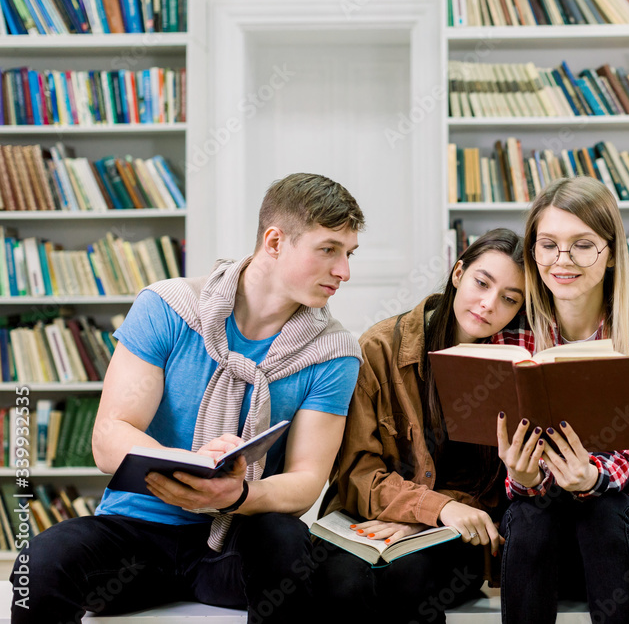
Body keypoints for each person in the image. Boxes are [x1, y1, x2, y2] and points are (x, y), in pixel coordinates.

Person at [12, 173, 366, 624]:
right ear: (274, 242)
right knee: (40, 562)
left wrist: (232, 495)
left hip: (234, 542)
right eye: (329, 249)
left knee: (287, 545)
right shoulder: (168, 307)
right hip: (137, 535)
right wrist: (191, 466)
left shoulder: (334, 352)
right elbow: (108, 438)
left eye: (349, 254)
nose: (344, 271)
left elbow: (305, 480)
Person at [311, 228, 526, 623]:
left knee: (410, 577)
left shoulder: (514, 367)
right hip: (365, 523)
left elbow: (498, 490)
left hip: (456, 537)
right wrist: (432, 508)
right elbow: (357, 473)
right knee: (339, 583)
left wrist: (430, 520)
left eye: (510, 299)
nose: (488, 304)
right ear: (458, 273)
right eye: (482, 283)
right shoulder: (380, 348)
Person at [493, 176, 629, 624]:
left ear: (611, 252)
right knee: (530, 516)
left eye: (582, 245)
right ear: (533, 252)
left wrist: (590, 479)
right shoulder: (511, 331)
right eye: (548, 244)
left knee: (601, 509)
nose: (563, 260)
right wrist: (523, 475)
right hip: (545, 531)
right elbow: (514, 464)